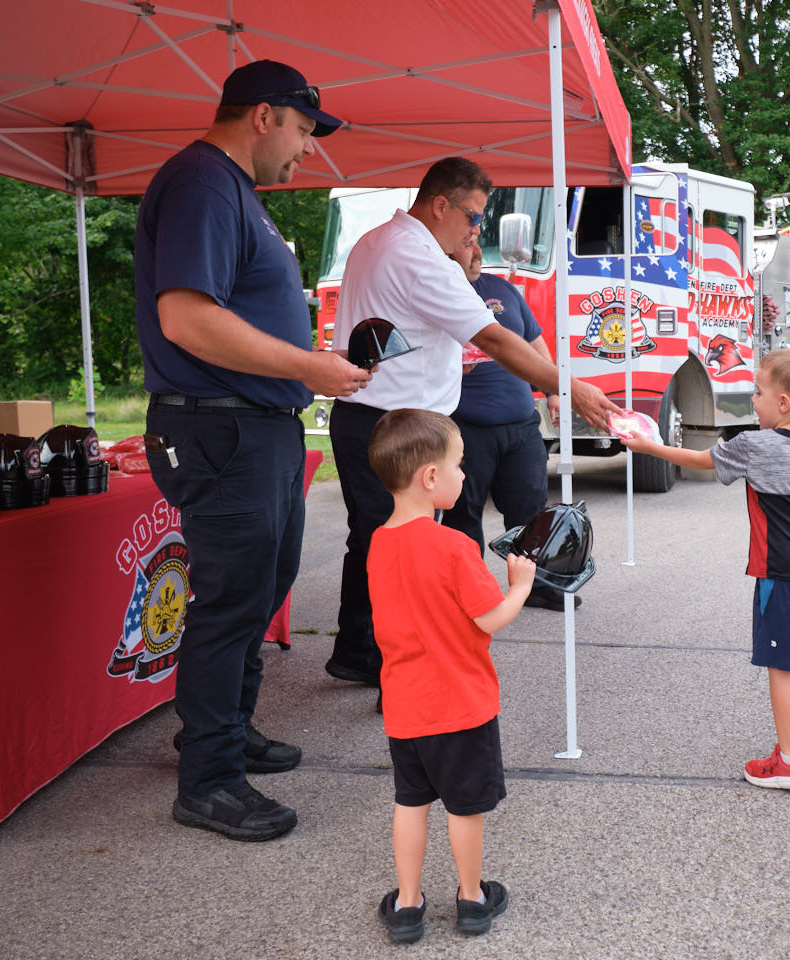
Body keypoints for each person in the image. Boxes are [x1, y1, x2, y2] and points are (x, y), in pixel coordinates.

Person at [134, 59, 372, 841]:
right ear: (264, 116)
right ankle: (208, 777)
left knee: (258, 586)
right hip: (219, 425)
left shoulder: (234, 191)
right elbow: (186, 319)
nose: (308, 150)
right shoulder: (204, 182)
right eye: (305, 131)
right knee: (231, 597)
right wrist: (314, 367)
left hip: (251, 425)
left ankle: (226, 733)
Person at [325, 157, 618, 689]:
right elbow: (496, 339)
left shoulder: (374, 240)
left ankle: (360, 649)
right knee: (407, 548)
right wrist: (568, 386)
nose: (476, 229)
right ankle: (401, 665)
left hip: (365, 415)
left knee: (372, 540)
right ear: (441, 205)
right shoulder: (422, 259)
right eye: (473, 216)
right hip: (401, 425)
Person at [620, 349, 790, 790]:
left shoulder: (754, 445)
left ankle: (789, 760)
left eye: (759, 391)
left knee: (782, 668)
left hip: (780, 579)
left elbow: (699, 461)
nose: (753, 400)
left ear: (784, 402)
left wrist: (648, 446)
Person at [367, 409, 534, 942]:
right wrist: (521, 585)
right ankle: (471, 899)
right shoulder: (455, 547)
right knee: (465, 808)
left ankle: (409, 905)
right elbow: (490, 618)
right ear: (430, 478)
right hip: (461, 705)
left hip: (405, 706)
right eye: (459, 465)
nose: (466, 475)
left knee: (410, 802)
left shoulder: (376, 544)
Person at [441, 239, 576, 611]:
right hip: (465, 427)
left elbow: (535, 343)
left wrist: (551, 389)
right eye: (465, 245)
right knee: (462, 515)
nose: (477, 250)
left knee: (531, 511)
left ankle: (537, 585)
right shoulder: (440, 294)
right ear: (446, 254)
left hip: (520, 425)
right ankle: (467, 592)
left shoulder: (502, 289)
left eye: (475, 243)